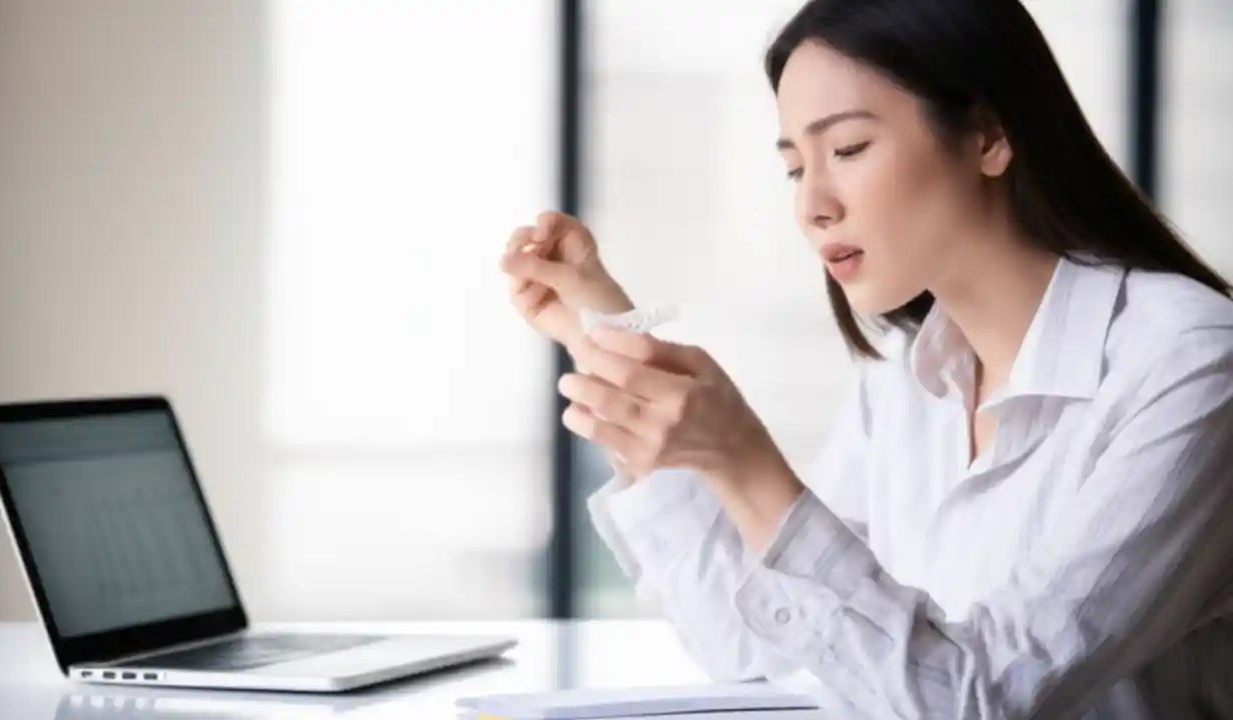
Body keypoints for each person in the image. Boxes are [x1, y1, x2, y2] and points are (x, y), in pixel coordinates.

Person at [499, 0, 1233, 716]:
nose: (813, 204)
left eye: (847, 149)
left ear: (987, 135)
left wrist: (749, 467)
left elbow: (985, 702)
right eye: (794, 167)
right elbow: (764, 645)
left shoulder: (1189, 361)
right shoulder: (906, 372)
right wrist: (607, 336)